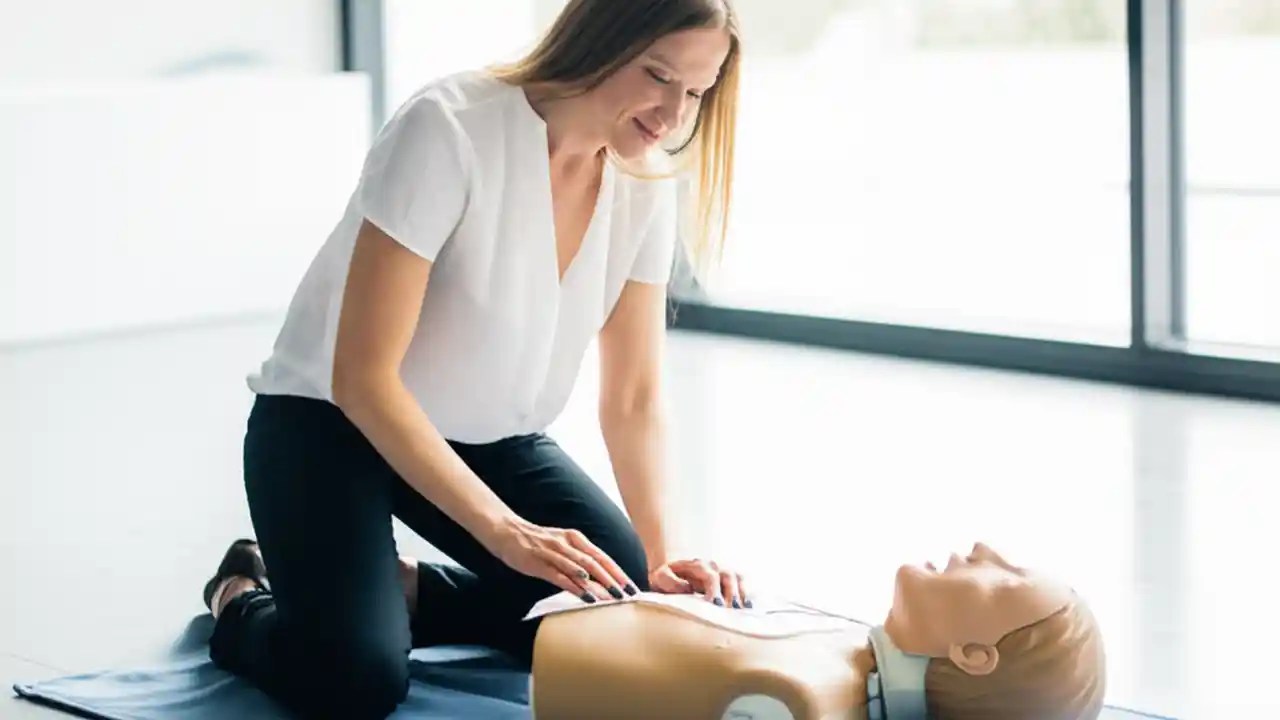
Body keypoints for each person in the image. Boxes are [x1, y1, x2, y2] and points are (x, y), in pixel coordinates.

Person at [199, 1, 745, 718]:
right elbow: (362, 378)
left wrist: (660, 562)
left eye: (696, 93)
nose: (673, 114)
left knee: (617, 609)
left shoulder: (646, 183)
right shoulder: (449, 126)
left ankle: (398, 590)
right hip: (330, 425)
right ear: (599, 41)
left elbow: (635, 397)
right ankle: (244, 595)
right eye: (658, 76)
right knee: (354, 679)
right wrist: (503, 531)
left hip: (488, 439)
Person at [529, 542, 1107, 719]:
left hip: (530, 654)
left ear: (976, 655)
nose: (983, 549)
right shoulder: (855, 661)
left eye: (1002, 577)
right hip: (561, 616)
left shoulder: (806, 701)